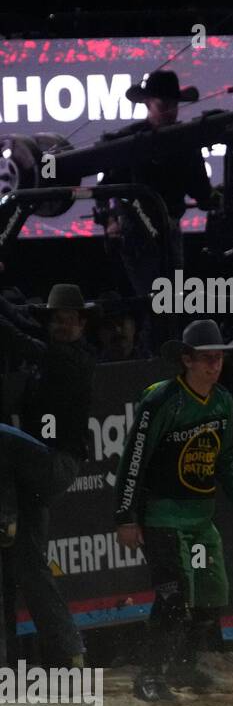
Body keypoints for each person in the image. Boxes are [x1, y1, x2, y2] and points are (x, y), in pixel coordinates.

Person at [113, 319, 233, 702]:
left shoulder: (222, 402)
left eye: (219, 359)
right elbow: (134, 460)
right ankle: (148, 675)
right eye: (207, 359)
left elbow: (226, 457)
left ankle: (183, 664)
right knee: (173, 599)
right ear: (187, 360)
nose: (215, 366)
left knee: (211, 597)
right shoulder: (161, 401)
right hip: (162, 518)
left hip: (199, 518)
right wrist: (126, 516)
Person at [0, 283, 96, 669]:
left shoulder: (74, 359)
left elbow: (19, 335)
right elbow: (20, 328)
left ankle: (4, 517)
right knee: (31, 565)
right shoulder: (42, 361)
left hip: (55, 463)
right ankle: (69, 653)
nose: (62, 326)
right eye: (57, 320)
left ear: (81, 325)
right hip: (35, 469)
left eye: (69, 321)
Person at [97, 70, 214, 305]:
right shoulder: (128, 141)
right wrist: (111, 221)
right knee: (148, 303)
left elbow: (201, 190)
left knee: (172, 302)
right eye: (164, 105)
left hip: (169, 230)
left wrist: (214, 197)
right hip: (135, 233)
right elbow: (106, 188)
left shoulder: (185, 141)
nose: (170, 111)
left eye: (174, 105)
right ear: (148, 103)